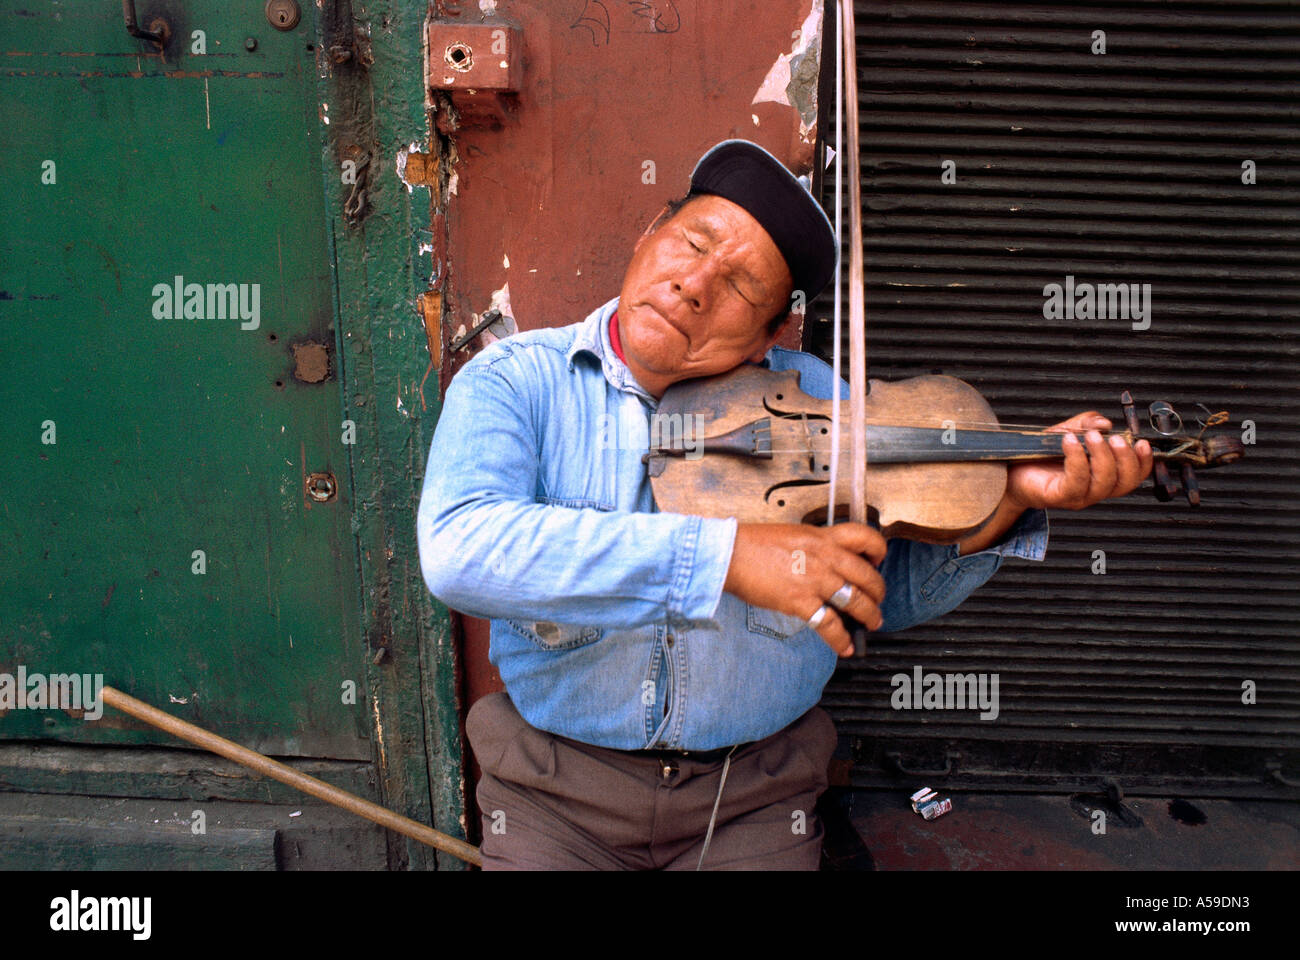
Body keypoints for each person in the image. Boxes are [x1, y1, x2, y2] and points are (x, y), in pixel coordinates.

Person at [416, 140, 1153, 870]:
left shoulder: (818, 404)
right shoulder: (514, 382)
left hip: (757, 797)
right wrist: (728, 557)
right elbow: (461, 549)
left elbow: (879, 596)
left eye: (740, 286)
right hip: (554, 792)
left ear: (769, 339)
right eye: (692, 243)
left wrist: (1011, 493)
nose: (695, 285)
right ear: (649, 236)